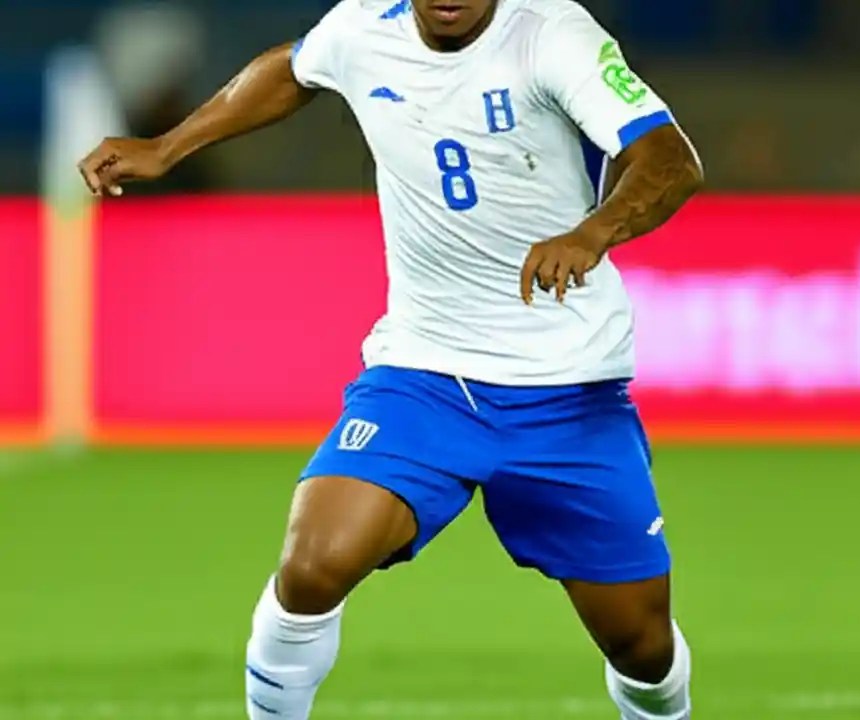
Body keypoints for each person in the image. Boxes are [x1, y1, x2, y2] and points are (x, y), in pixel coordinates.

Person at [76, 1, 703, 718]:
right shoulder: (362, 26)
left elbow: (670, 159)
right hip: (422, 376)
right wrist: (168, 147)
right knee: (313, 564)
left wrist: (593, 233)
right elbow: (294, 69)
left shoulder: (552, 33)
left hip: (565, 390)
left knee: (641, 645)